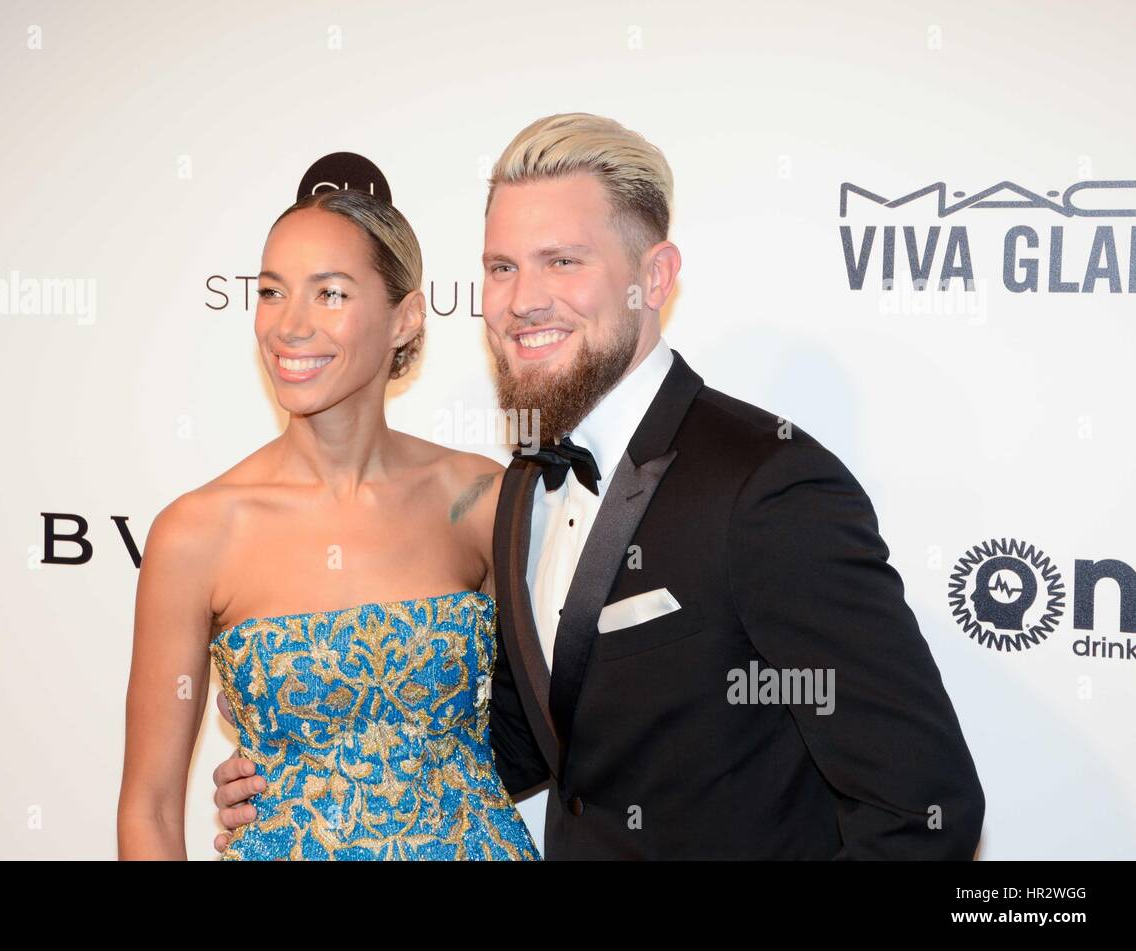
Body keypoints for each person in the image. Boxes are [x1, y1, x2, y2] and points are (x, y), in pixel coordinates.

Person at [214, 113, 986, 860]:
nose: (523, 300)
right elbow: (523, 744)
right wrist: (312, 760)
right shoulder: (521, 487)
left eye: (564, 261)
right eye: (502, 267)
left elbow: (924, 809)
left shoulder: (766, 486)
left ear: (654, 278)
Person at [117, 187, 540, 860]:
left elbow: (555, 731)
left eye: (331, 294)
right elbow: (150, 810)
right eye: (272, 292)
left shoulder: (483, 501)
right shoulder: (197, 533)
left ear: (405, 318)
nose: (289, 325)